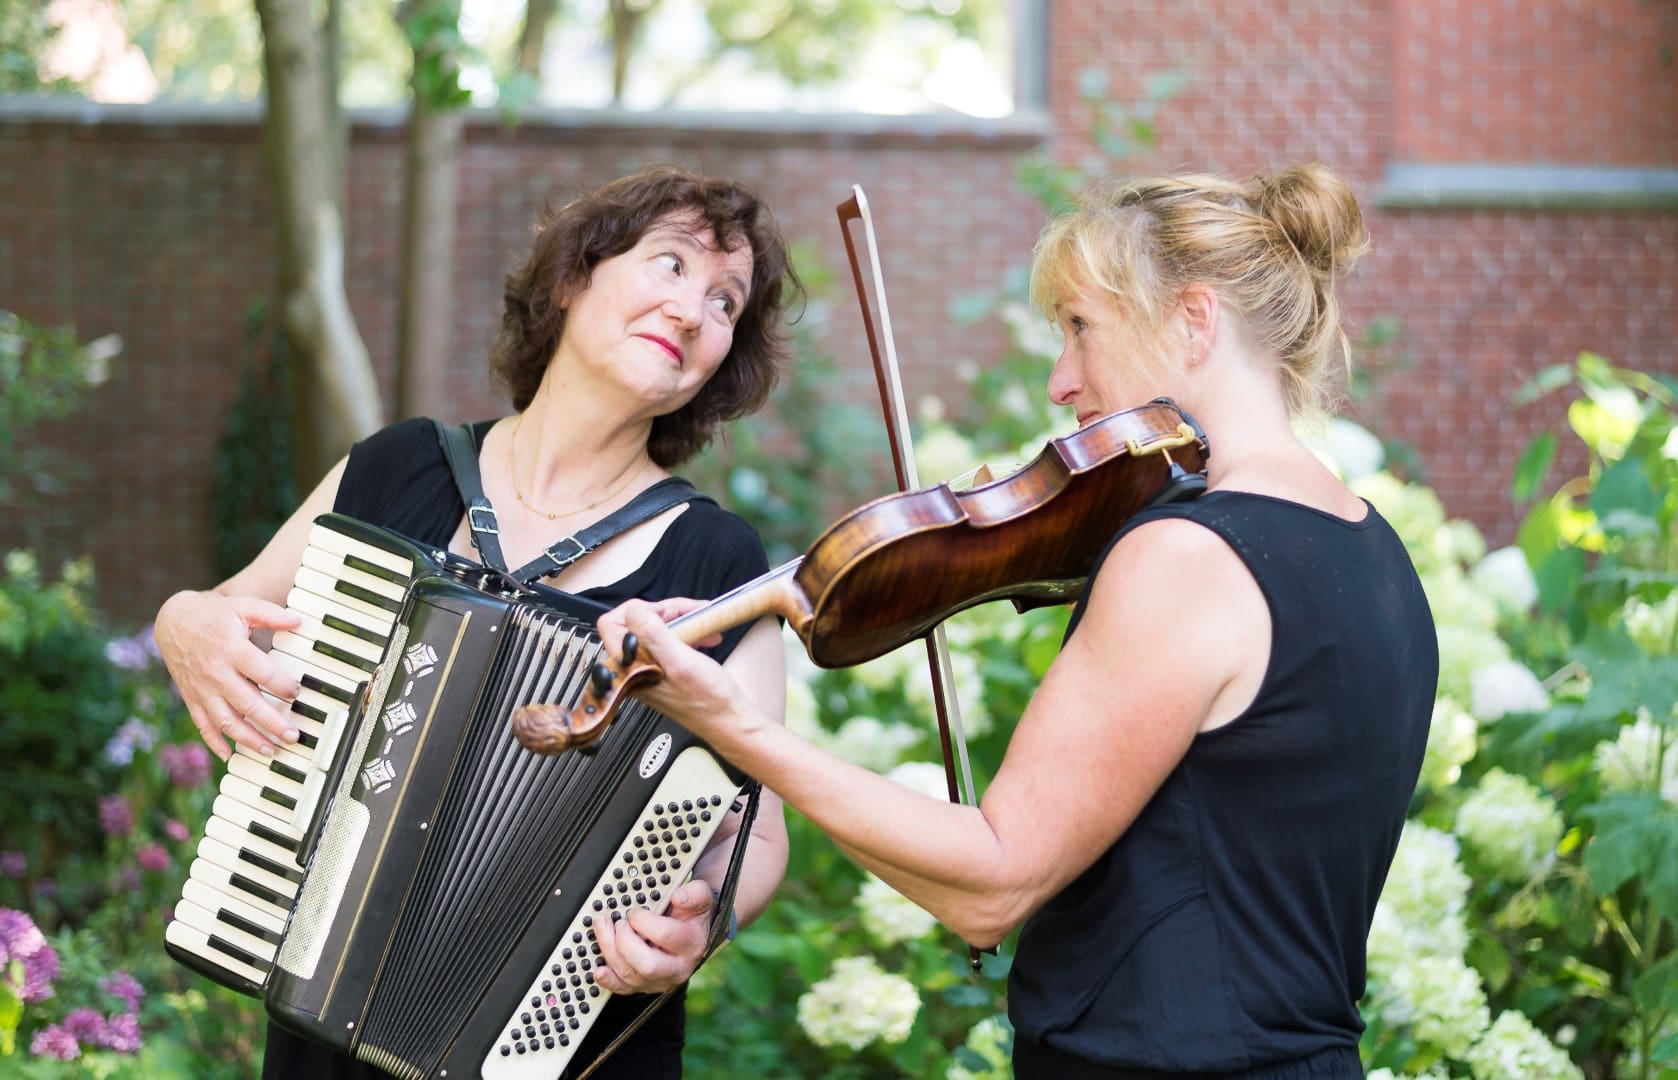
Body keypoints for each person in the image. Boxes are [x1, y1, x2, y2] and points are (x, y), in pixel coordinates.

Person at [590, 164, 1438, 1077]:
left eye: (1080, 327)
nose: (1062, 380)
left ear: (1194, 322)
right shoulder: (1374, 552)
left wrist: (734, 724)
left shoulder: (1188, 557)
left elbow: (992, 884)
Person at [153, 164, 799, 1079]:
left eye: (726, 301)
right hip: (322, 1008)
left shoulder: (719, 561)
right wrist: (182, 620)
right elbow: (225, 610)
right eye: (671, 265)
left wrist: (703, 922)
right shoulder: (397, 468)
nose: (694, 311)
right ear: (573, 278)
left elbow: (758, 834)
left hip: (560, 1042)